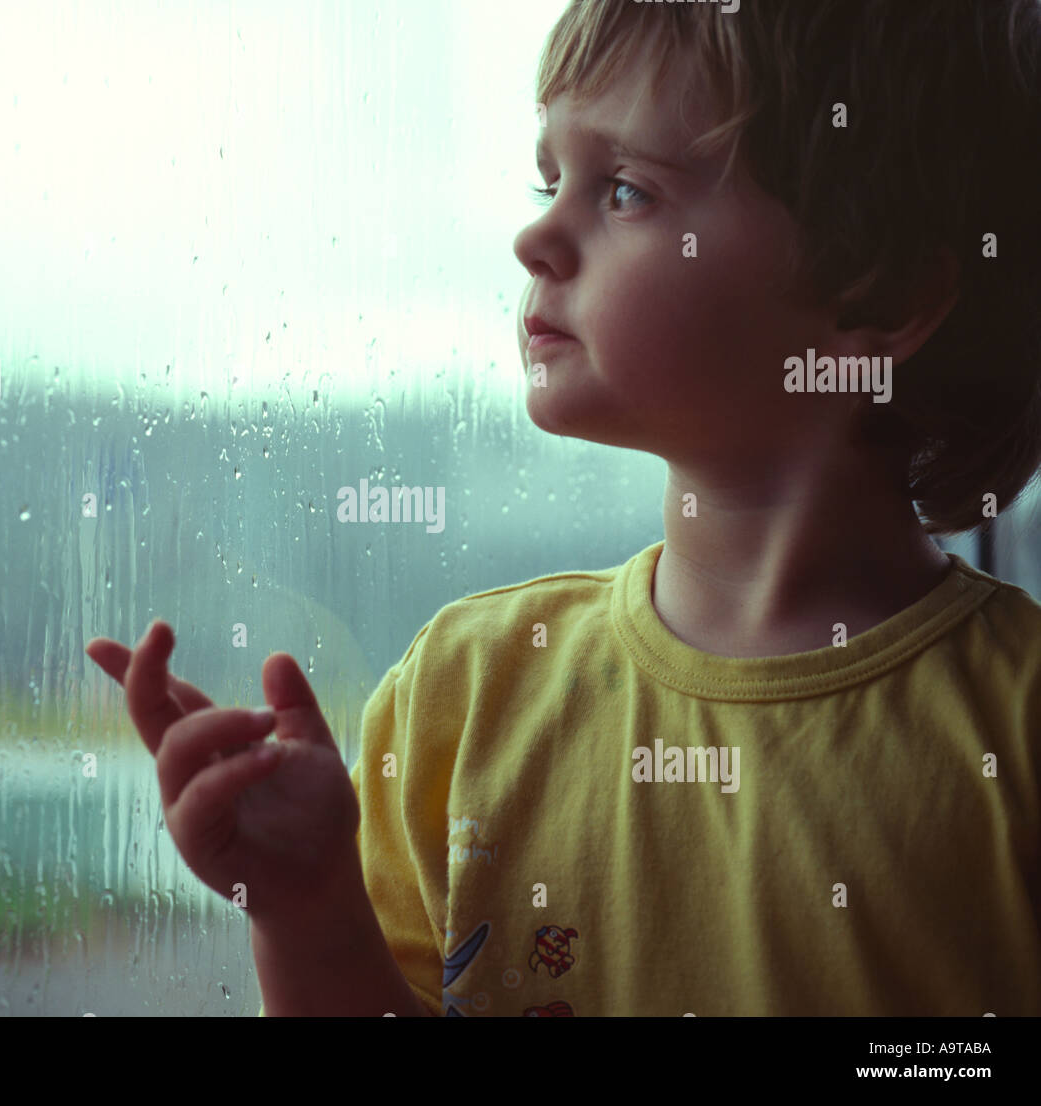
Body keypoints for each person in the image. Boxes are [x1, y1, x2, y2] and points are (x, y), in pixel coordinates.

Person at [87, 0, 1041, 1015]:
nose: (534, 234)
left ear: (880, 299)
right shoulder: (459, 694)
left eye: (625, 190)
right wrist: (307, 909)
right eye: (550, 180)